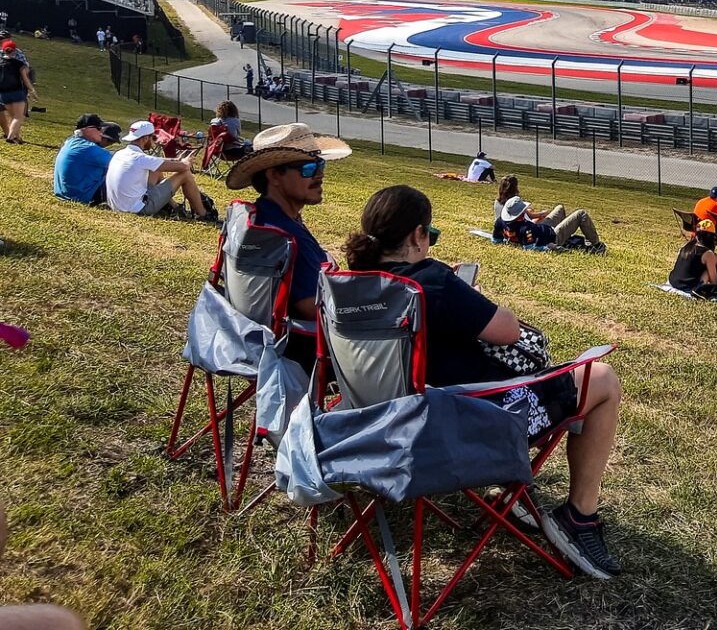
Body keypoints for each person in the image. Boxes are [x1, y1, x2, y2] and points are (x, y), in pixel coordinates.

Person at [342, 185, 623, 579]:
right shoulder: (431, 281)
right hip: (457, 431)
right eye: (430, 234)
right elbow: (507, 330)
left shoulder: (350, 285)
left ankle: (512, 490)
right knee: (601, 378)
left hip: (377, 426)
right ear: (417, 236)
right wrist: (469, 295)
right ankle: (579, 516)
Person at [225, 124, 351, 357]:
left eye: (320, 164)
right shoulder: (284, 237)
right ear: (274, 175)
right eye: (308, 168)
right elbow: (312, 308)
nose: (319, 174)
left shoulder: (259, 218)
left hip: (244, 334)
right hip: (300, 347)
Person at [106, 121, 217, 221]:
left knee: (156, 170)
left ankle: (175, 208)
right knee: (185, 175)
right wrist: (186, 161)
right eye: (153, 138)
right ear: (145, 139)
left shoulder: (121, 153)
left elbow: (156, 162)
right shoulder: (140, 158)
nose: (155, 141)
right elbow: (184, 167)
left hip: (118, 205)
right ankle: (203, 215)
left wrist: (177, 160)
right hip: (137, 209)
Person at [52, 114, 122, 205]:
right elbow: (121, 163)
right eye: (98, 128)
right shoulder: (89, 149)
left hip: (65, 193)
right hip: (80, 197)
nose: (101, 132)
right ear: (87, 129)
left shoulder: (71, 141)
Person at [497, 196, 604, 253]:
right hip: (552, 237)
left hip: (542, 228)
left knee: (560, 208)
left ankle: (566, 236)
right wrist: (551, 247)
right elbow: (530, 246)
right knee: (581, 214)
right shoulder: (524, 228)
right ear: (520, 214)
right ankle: (595, 245)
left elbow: (497, 239)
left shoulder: (502, 223)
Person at [667, 217, 717, 295]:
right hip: (688, 286)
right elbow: (714, 281)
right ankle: (699, 289)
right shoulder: (708, 254)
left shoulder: (687, 246)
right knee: (706, 272)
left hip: (673, 281)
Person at [0, 40, 35, 144]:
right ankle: (10, 137)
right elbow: (25, 78)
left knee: (13, 116)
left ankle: (17, 137)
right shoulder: (19, 64)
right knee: (18, 116)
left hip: (3, 94)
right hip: (16, 93)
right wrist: (32, 90)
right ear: (15, 51)